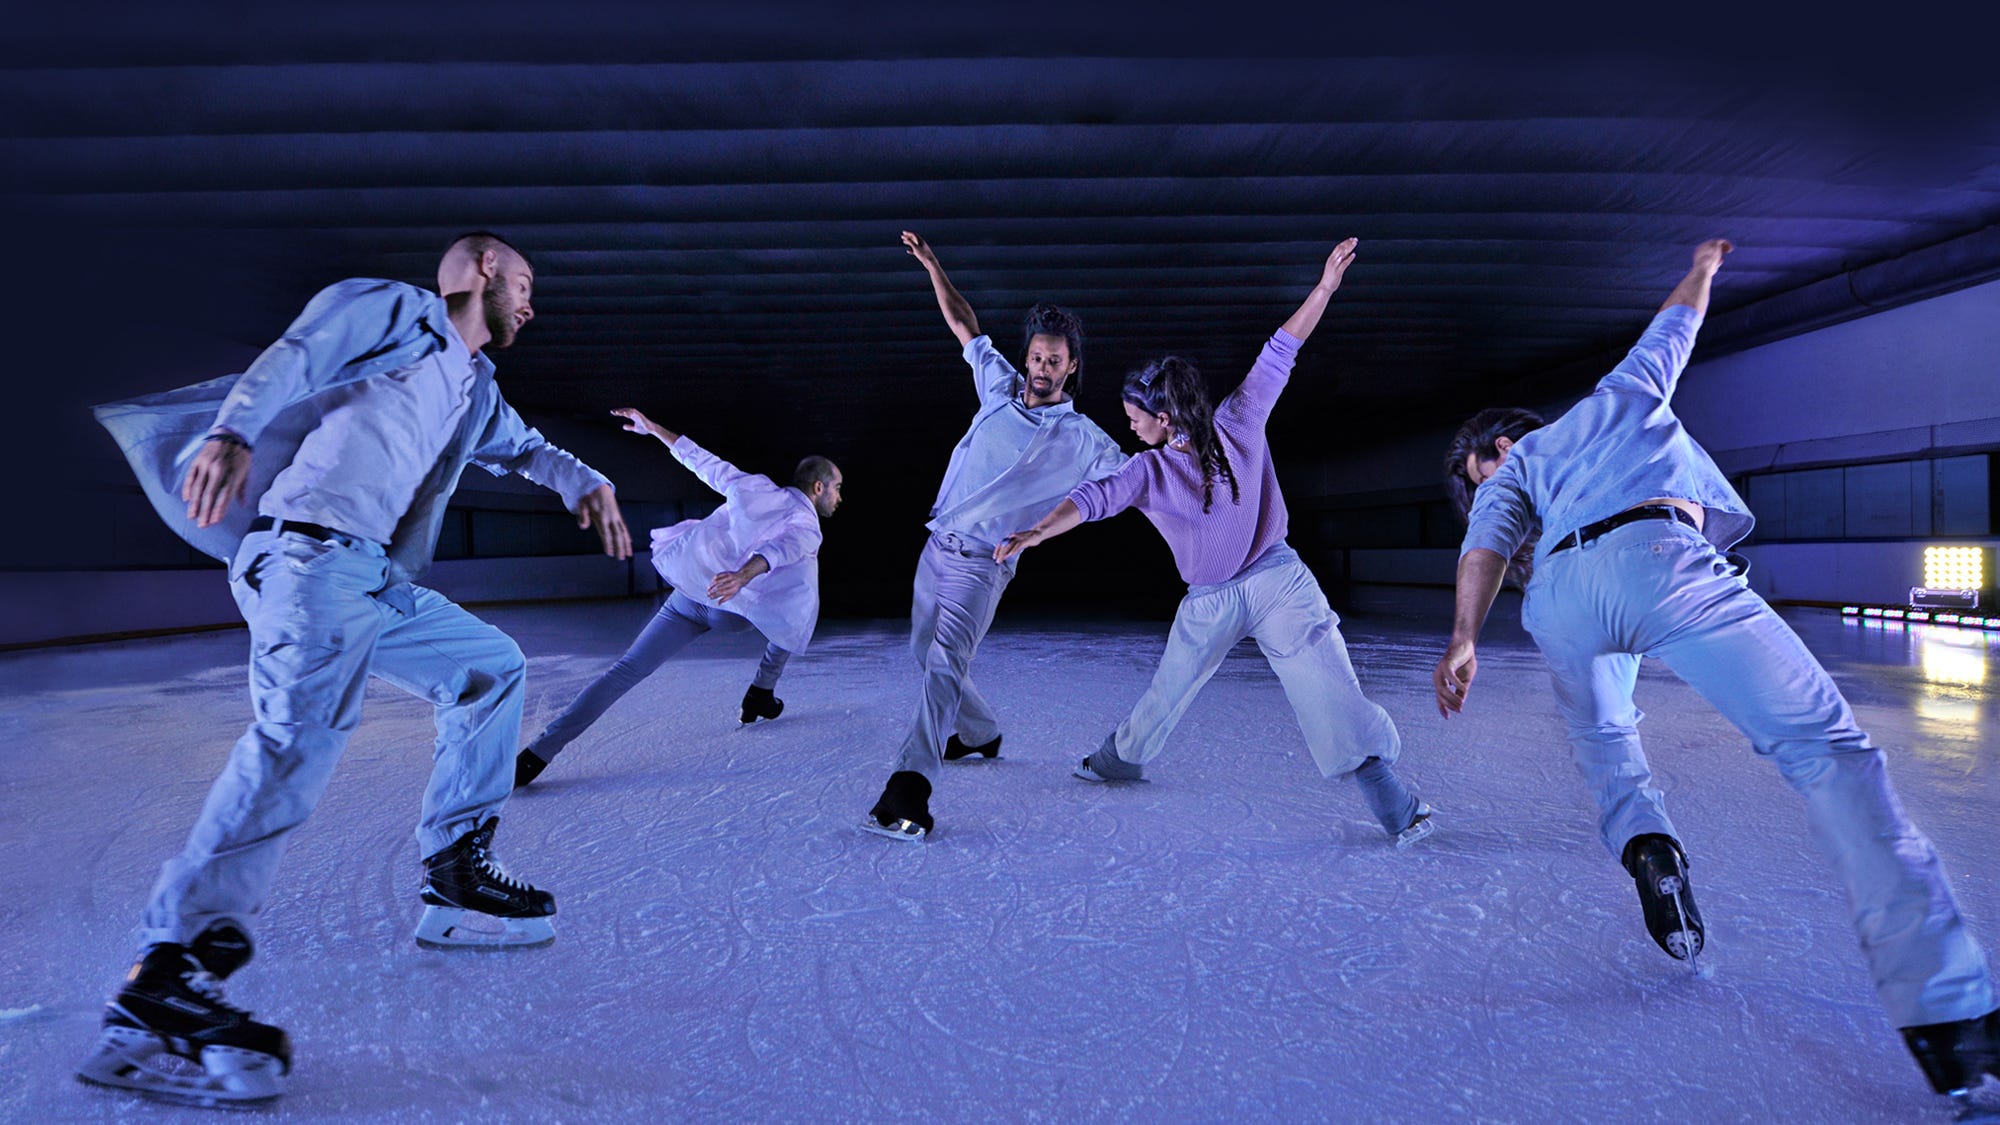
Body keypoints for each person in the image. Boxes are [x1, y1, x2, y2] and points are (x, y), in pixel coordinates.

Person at [1434, 238, 1997, 1107]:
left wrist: (1464, 637)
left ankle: (1648, 845)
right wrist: (1704, 266)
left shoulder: (1522, 474)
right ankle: (1951, 1016)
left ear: (1506, 443)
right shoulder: (1617, 395)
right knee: (1828, 752)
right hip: (1658, 553)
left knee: (1607, 735)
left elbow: (1485, 545)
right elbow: (1674, 328)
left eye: (1490, 467)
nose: (1498, 476)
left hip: (1563, 600)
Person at [79, 232, 632, 1105]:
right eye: (524, 283)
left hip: (372, 576)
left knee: (489, 668)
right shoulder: (395, 312)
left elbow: (527, 448)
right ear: (483, 267)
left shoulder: (473, 385)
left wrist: (586, 479)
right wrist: (230, 430)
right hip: (306, 560)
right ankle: (163, 977)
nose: (532, 303)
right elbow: (298, 356)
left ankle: (455, 871)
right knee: (298, 737)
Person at [996, 239, 1432, 847]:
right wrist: (1040, 530)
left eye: (1133, 417)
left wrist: (1325, 288)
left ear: (1165, 416)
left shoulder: (1239, 419)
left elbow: (1282, 349)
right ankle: (1122, 757)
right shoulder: (1146, 472)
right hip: (1209, 601)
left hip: (1278, 579)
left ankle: (1390, 795)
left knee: (1325, 678)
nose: (1130, 426)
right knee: (1172, 685)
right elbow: (1093, 500)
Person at [861, 231, 1127, 841]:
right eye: (1036, 357)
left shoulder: (1082, 436)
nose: (1041, 368)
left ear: (1070, 367)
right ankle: (981, 734)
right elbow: (963, 322)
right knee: (921, 653)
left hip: (985, 563)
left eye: (1054, 361)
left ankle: (910, 790)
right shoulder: (998, 387)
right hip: (937, 547)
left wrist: (1184, 450)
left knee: (943, 667)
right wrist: (934, 264)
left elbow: (1131, 479)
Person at [515, 407, 841, 787]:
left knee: (625, 670)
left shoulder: (752, 485)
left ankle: (537, 754)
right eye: (837, 488)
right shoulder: (806, 524)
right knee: (800, 594)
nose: (839, 497)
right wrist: (741, 575)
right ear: (818, 487)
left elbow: (704, 462)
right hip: (734, 608)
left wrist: (653, 429)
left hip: (692, 592)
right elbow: (781, 548)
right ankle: (762, 691)